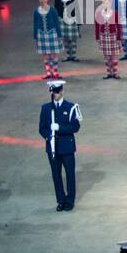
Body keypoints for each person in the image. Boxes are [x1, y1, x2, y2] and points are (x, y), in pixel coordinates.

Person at [38, 79, 80, 211]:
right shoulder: (46, 108)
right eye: (53, 92)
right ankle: (61, 200)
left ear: (62, 91)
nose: (54, 94)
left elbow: (75, 126)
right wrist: (49, 134)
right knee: (56, 175)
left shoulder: (70, 107)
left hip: (67, 147)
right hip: (52, 148)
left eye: (57, 91)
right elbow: (42, 128)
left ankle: (70, 200)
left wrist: (59, 128)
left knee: (69, 174)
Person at [32, 0, 61, 80]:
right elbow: (35, 24)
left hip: (52, 33)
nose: (42, 0)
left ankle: (55, 72)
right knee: (45, 55)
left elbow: (57, 23)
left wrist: (59, 35)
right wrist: (35, 36)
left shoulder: (52, 10)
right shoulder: (36, 11)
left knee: (53, 54)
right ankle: (48, 72)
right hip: (41, 34)